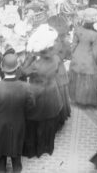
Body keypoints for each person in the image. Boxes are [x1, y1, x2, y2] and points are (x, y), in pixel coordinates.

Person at [0, 53, 34, 173]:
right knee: (16, 144)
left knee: (0, 147)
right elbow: (31, 106)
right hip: (18, 122)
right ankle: (17, 168)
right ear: (17, 68)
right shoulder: (26, 87)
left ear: (2, 67)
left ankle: (1, 168)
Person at [21, 24, 64, 157]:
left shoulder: (35, 64)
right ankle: (46, 147)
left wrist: (28, 59)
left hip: (36, 93)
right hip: (52, 92)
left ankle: (33, 149)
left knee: (34, 122)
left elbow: (22, 73)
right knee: (48, 122)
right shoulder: (56, 59)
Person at [69, 8, 97, 106]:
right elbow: (96, 52)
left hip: (77, 56)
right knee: (87, 79)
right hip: (89, 58)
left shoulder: (78, 30)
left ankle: (76, 98)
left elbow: (73, 45)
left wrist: (72, 56)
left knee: (77, 77)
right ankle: (86, 100)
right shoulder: (95, 35)